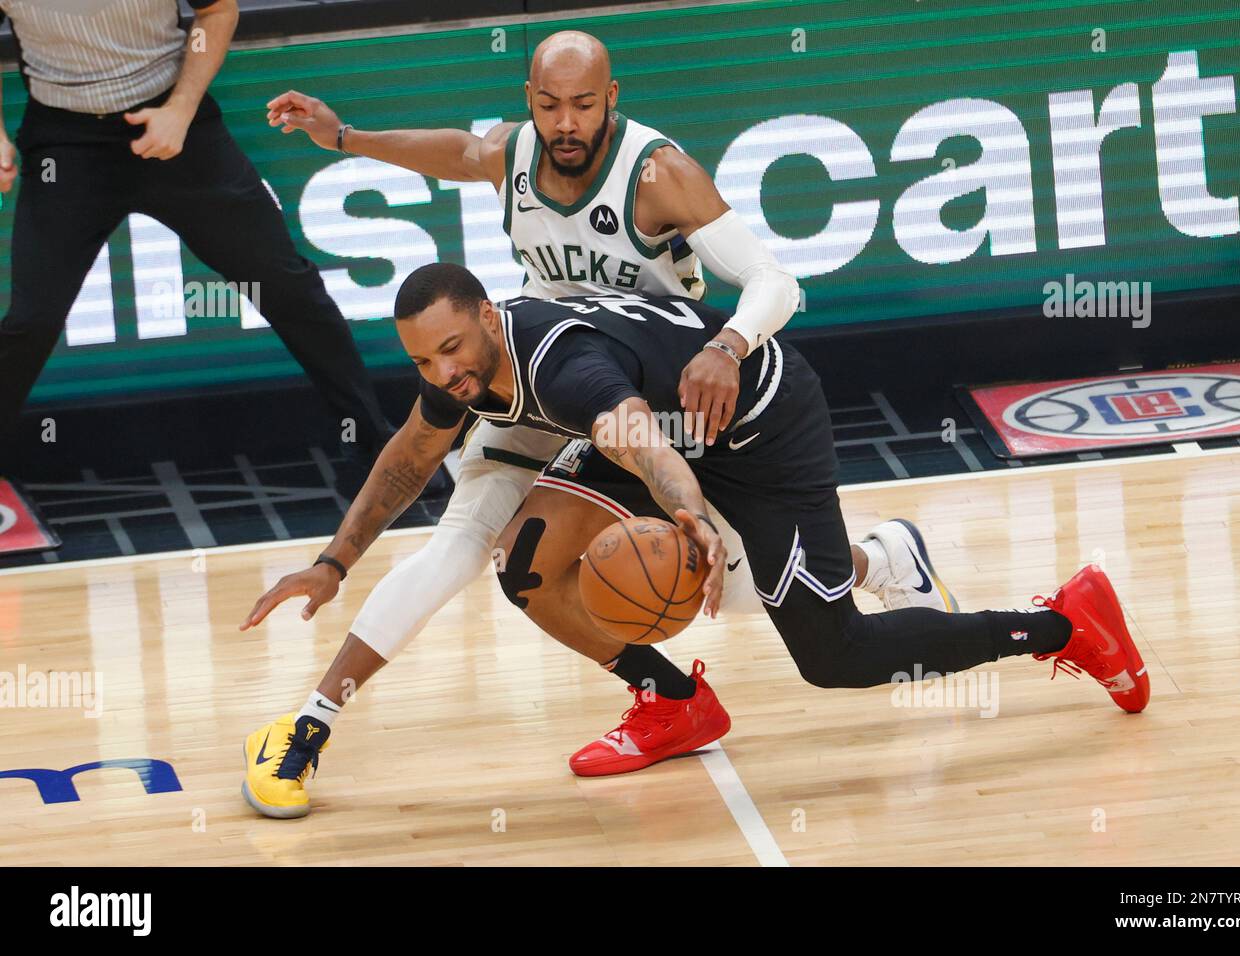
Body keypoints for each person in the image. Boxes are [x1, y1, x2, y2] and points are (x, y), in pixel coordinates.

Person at [239, 32, 956, 815]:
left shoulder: (657, 172)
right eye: (550, 106)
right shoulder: (516, 161)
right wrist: (344, 138)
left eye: (583, 104)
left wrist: (728, 343)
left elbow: (774, 280)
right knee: (487, 547)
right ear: (530, 103)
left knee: (718, 583)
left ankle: (870, 558)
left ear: (612, 98)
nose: (567, 122)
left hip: (643, 388)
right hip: (542, 379)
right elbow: (459, 152)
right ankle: (316, 722)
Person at [241, 265, 1151, 817]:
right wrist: (330, 565)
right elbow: (407, 456)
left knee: (834, 659)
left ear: (487, 317)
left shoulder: (558, 363)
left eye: (450, 351)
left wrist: (683, 513)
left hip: (759, 432)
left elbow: (636, 434)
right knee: (525, 565)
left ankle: (1061, 624)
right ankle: (672, 702)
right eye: (423, 361)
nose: (443, 374)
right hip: (667, 430)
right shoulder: (468, 368)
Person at [0, 0, 393, 476]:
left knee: (286, 285)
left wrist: (180, 110)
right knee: (30, 320)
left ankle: (377, 452)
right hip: (65, 144)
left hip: (176, 120)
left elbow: (219, 10)